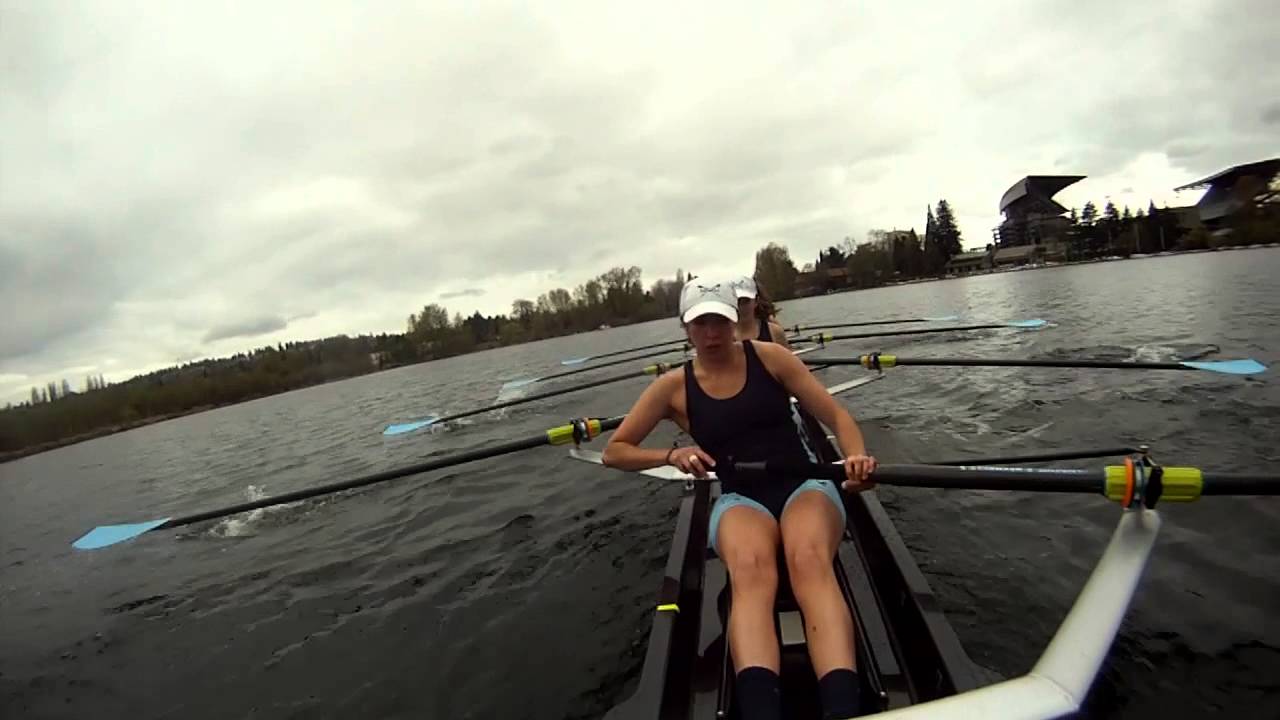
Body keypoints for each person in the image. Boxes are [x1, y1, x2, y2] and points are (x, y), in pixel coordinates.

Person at [601, 279, 878, 720]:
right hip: (740, 498)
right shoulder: (671, 388)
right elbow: (615, 451)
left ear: (735, 321)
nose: (711, 333)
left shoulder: (771, 358)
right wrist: (672, 453)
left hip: (804, 483)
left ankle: (843, 707)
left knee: (807, 558)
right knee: (750, 574)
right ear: (685, 329)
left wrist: (857, 457)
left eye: (719, 321)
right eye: (700, 323)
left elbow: (836, 415)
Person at [732, 276, 789, 348]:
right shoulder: (724, 336)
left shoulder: (775, 332)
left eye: (745, 301)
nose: (740, 307)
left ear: (756, 301)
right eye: (737, 301)